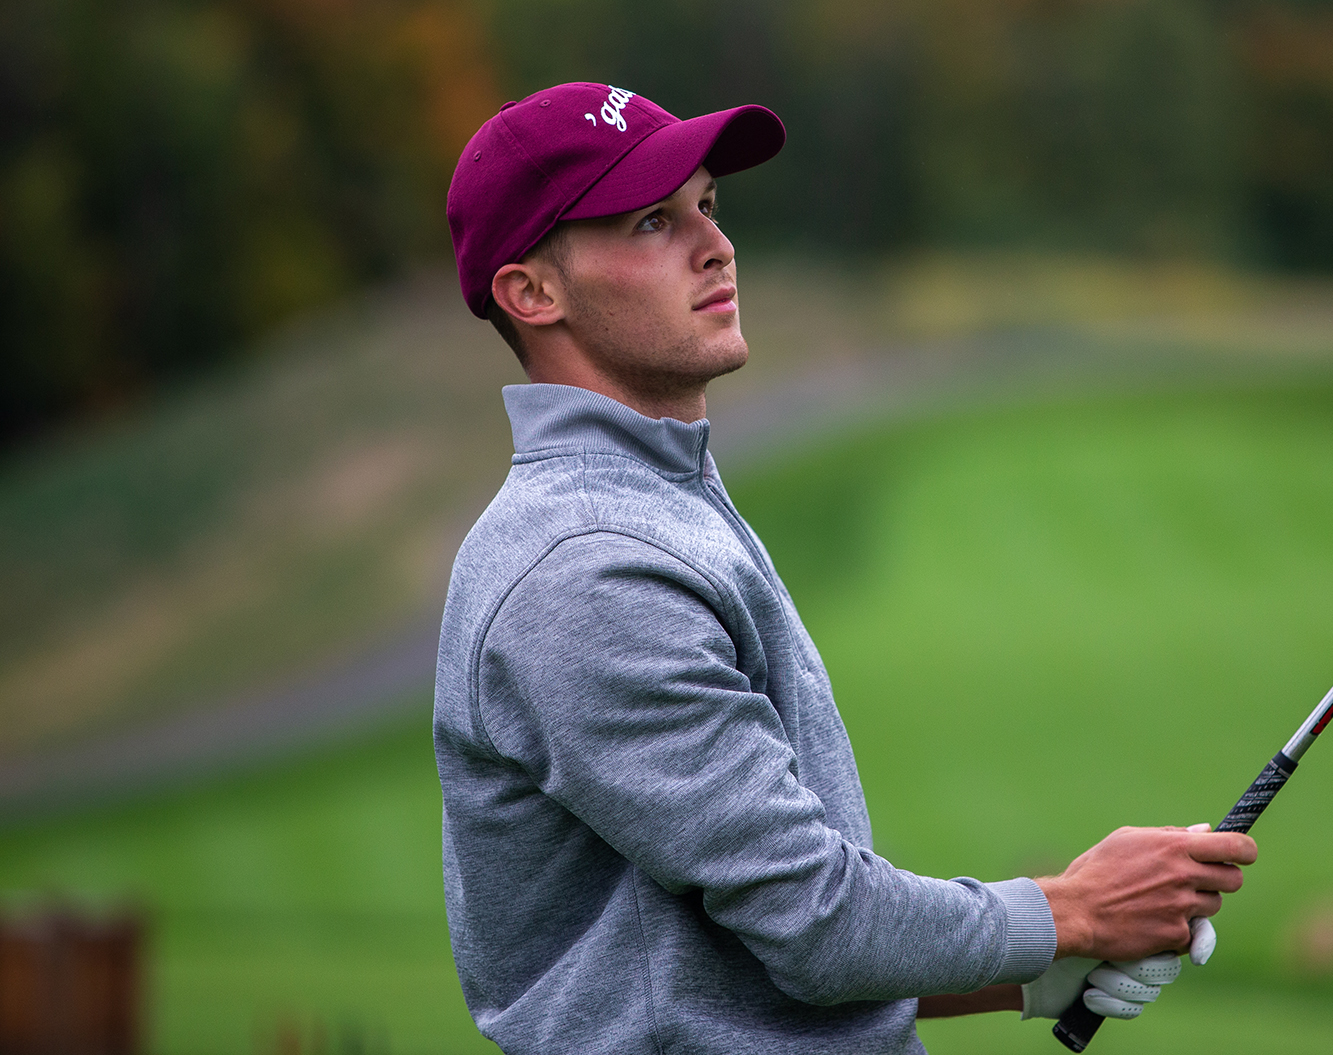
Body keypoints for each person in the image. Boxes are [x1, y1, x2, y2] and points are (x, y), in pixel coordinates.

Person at [434, 82, 1258, 1054]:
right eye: (653, 221)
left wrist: (1035, 975)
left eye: (707, 206)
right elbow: (822, 923)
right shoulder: (588, 571)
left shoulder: (656, 509)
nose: (715, 245)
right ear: (533, 293)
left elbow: (742, 957)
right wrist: (1070, 913)